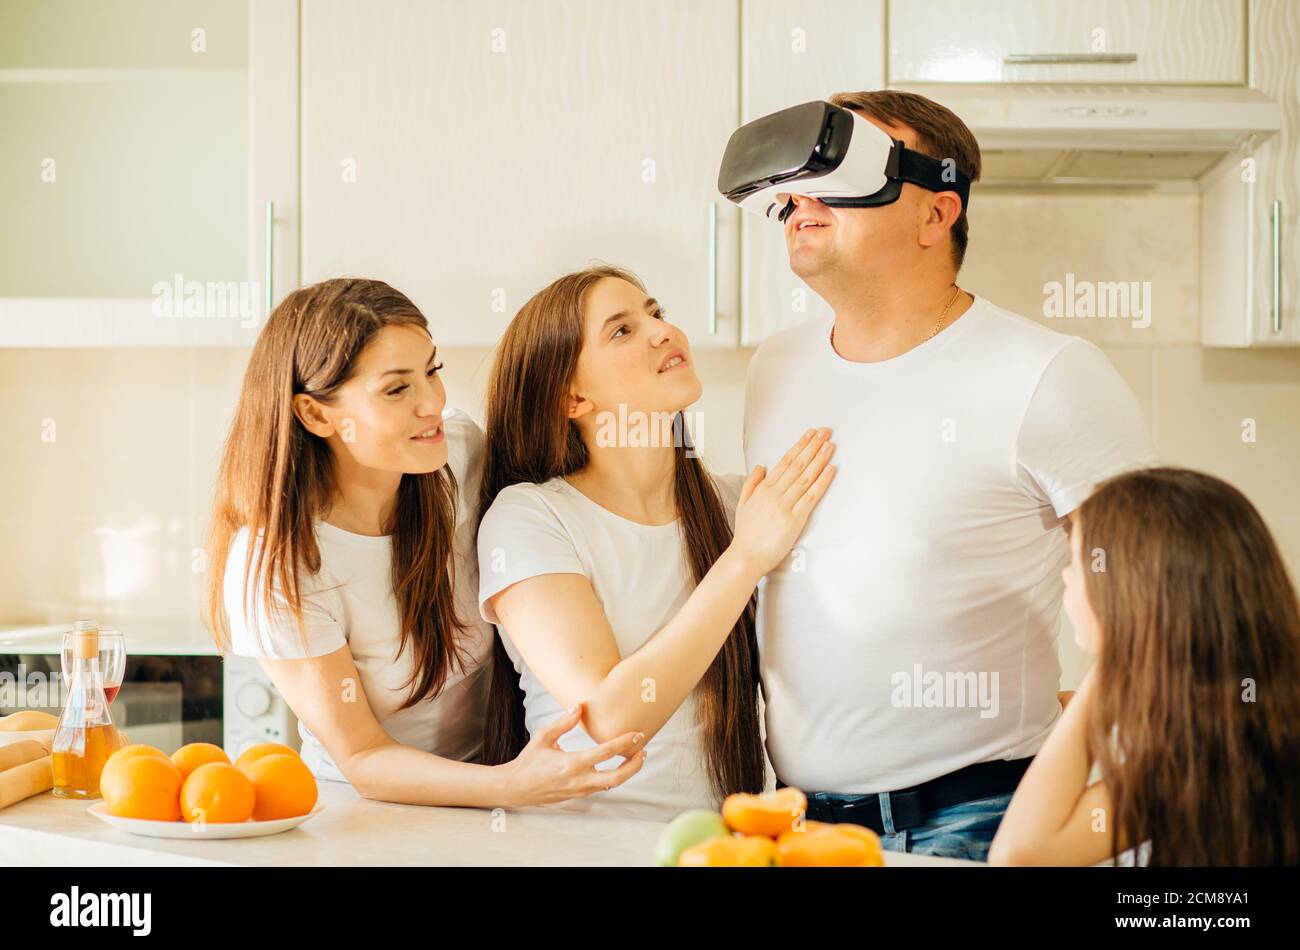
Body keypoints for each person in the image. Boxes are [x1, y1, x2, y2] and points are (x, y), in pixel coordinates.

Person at [742, 90, 1160, 860]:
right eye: (803, 174)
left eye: (846, 166)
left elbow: (1157, 602)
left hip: (981, 820)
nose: (802, 196)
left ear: (937, 214)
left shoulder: (1049, 376)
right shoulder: (774, 368)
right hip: (799, 825)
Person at [206, 277, 645, 808]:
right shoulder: (280, 566)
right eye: (397, 389)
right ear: (316, 414)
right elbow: (364, 757)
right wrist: (513, 785)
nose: (432, 403)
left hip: (502, 787)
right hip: (369, 814)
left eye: (432, 371)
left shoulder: (461, 458)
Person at [476, 265, 835, 821]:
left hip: (719, 847)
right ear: (571, 397)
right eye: (621, 330)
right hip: (582, 850)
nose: (663, 331)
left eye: (656, 313)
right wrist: (744, 560)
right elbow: (610, 722)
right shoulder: (530, 517)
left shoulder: (735, 507)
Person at [990, 467, 1300, 866]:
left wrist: (1117, 656)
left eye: (1080, 561)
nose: (1067, 575)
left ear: (1135, 592)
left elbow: (1021, 855)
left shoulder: (1189, 763)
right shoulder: (1249, 727)